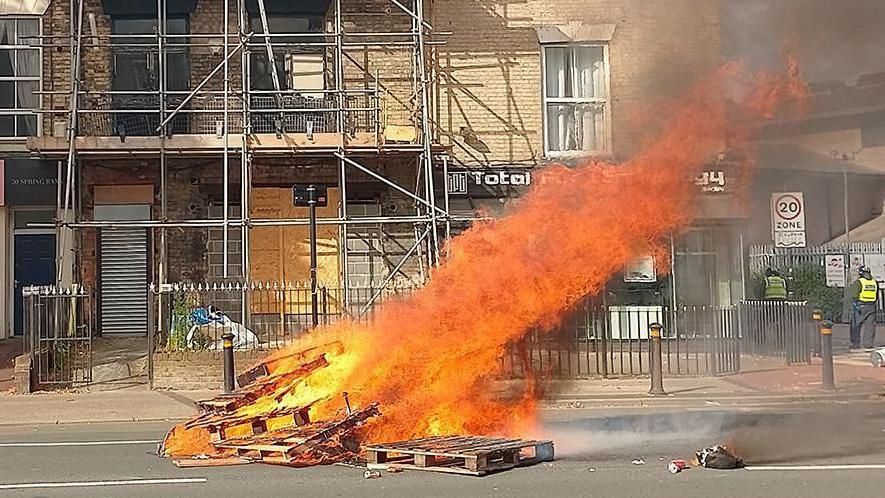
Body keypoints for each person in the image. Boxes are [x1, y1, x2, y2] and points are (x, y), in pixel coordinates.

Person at [850, 265, 879, 350]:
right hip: (872, 306)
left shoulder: (859, 282)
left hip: (860, 306)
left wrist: (855, 303)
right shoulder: (874, 282)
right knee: (870, 327)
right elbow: (876, 295)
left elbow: (854, 295)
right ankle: (868, 344)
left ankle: (855, 344)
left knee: (855, 325)